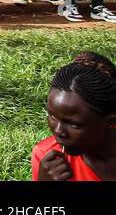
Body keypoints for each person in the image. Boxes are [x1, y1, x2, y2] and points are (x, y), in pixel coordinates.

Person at [32, 52, 116, 181]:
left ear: (110, 121)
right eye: (53, 116)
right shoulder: (46, 157)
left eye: (74, 124)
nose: (59, 131)